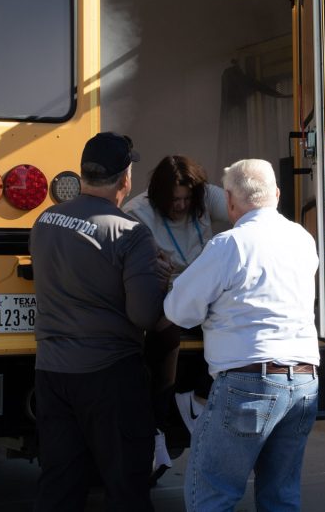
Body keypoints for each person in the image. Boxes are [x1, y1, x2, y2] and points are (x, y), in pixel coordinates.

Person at [164, 159, 320, 511]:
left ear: (231, 201)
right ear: (277, 194)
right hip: (304, 383)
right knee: (281, 496)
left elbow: (179, 310)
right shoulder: (303, 239)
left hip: (248, 383)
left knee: (211, 493)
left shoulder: (228, 245)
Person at [30, 132, 166, 512]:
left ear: (83, 173)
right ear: (126, 179)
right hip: (109, 375)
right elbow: (144, 315)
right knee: (126, 486)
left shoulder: (45, 221)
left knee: (60, 482)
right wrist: (162, 281)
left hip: (52, 371)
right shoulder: (130, 232)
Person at [123, 155, 231, 482]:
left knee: (235, 321)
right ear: (157, 197)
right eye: (174, 200)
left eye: (187, 199)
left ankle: (197, 398)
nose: (181, 206)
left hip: (204, 289)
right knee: (165, 333)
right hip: (166, 289)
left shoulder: (204, 195)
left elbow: (244, 209)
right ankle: (158, 425)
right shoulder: (137, 212)